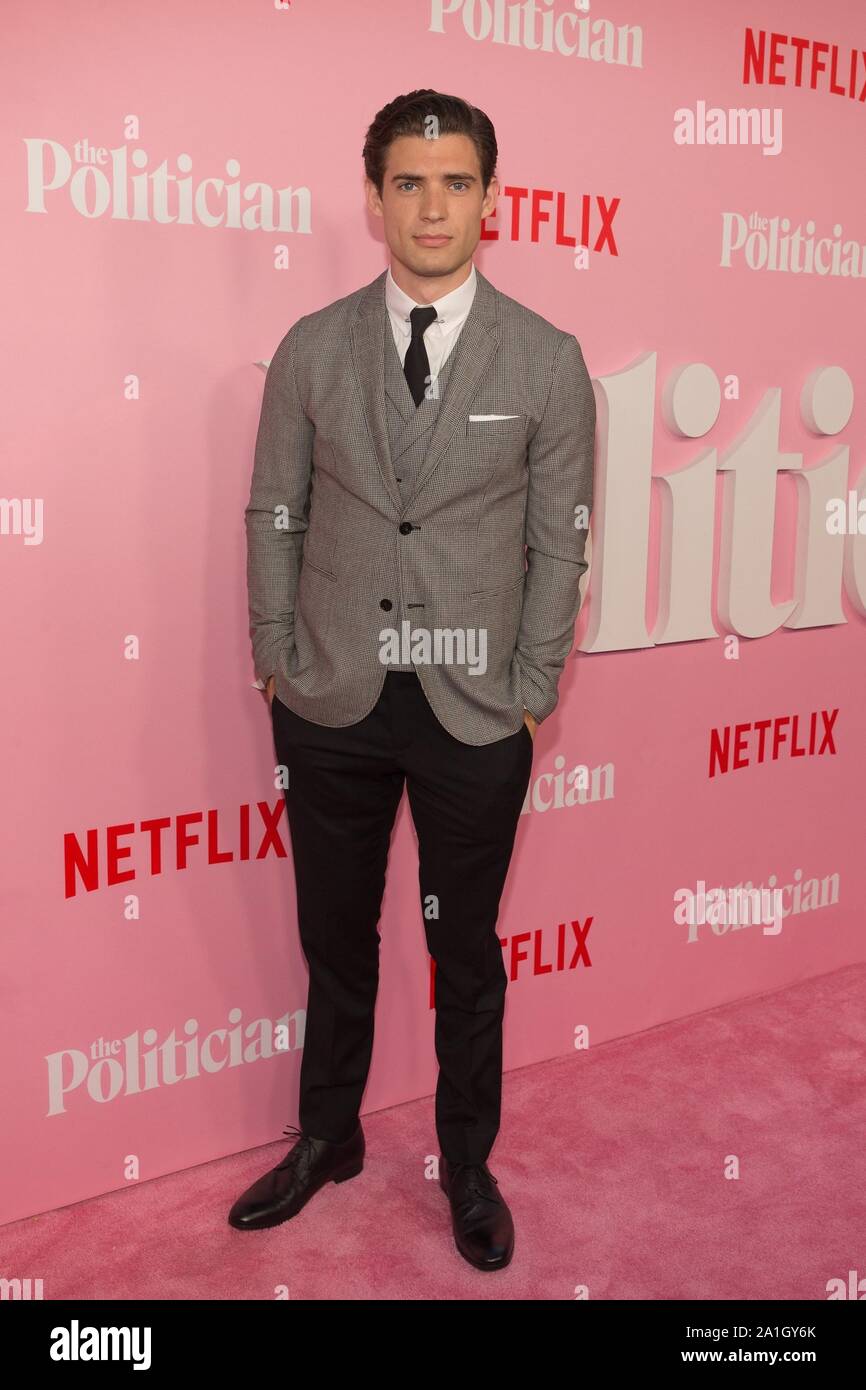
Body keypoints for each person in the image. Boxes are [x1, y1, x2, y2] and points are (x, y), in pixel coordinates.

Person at [230, 89, 596, 1271]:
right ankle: (327, 1136)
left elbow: (560, 541)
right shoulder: (309, 345)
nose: (429, 204)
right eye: (406, 180)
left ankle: (467, 1163)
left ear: (490, 197)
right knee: (333, 937)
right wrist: (274, 656)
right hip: (330, 697)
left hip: (472, 709)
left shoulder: (545, 360)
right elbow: (274, 511)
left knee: (466, 949)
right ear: (375, 195)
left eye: (451, 182)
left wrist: (533, 686)